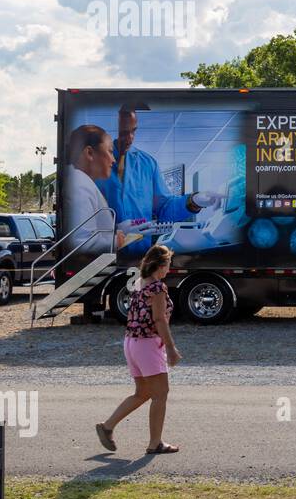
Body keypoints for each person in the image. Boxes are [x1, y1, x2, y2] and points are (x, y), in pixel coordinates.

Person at [99, 104, 222, 255]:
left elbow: (165, 209)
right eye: (124, 132)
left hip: (139, 256)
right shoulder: (95, 164)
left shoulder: (148, 164)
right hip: (102, 254)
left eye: (133, 131)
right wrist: (115, 230)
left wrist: (194, 200)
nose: (130, 138)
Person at [95, 244, 181, 455]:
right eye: (168, 264)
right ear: (160, 265)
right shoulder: (158, 287)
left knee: (143, 392)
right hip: (148, 343)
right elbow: (159, 319)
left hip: (131, 342)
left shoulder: (140, 283)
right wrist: (170, 347)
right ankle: (155, 443)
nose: (169, 268)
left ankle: (107, 427)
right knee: (161, 394)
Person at [64, 124, 143, 254]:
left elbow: (94, 229)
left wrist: (120, 228)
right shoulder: (80, 185)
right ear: (89, 153)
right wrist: (118, 241)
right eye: (110, 151)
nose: (113, 160)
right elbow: (82, 242)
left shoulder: (82, 182)